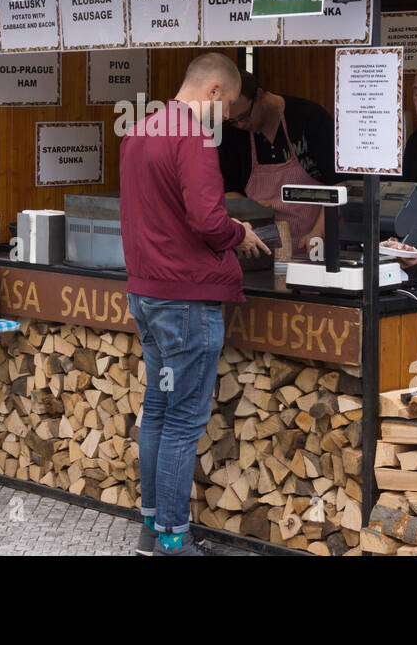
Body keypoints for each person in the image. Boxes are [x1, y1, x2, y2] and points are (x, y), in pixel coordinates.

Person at [120, 53, 269, 556]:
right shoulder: (194, 137)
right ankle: (172, 541)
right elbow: (208, 221)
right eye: (226, 105)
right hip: (186, 300)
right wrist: (240, 231)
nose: (228, 117)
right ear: (211, 92)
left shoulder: (139, 131)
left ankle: (151, 532)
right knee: (183, 420)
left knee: (159, 410)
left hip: (146, 294)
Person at [217, 72, 337, 254]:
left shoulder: (310, 118)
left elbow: (338, 185)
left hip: (314, 247)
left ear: (259, 95)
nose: (241, 125)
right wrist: (253, 213)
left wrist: (318, 233)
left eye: (244, 117)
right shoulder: (231, 134)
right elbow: (228, 191)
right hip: (260, 249)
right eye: (234, 121)